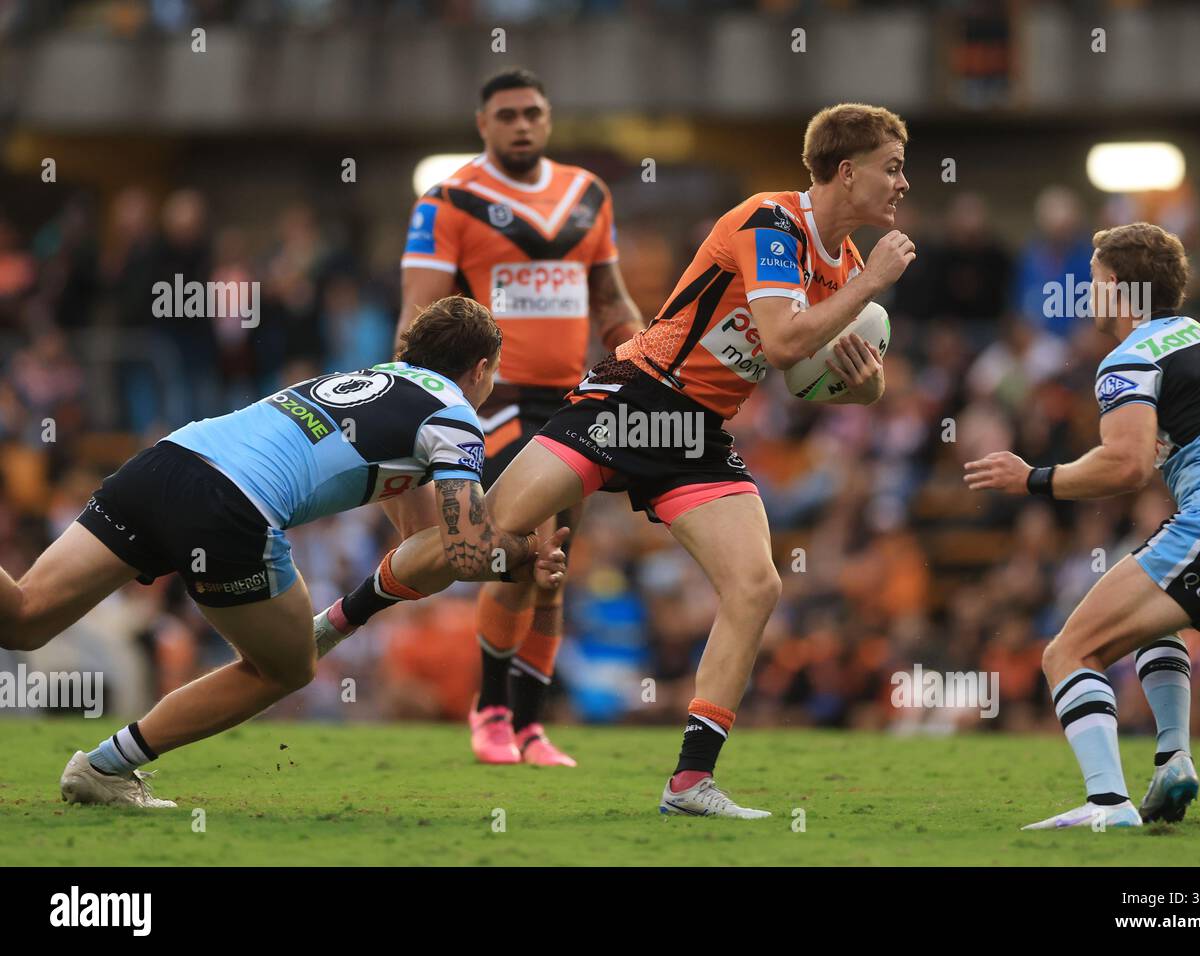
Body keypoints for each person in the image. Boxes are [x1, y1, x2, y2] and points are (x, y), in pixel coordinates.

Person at [317, 102, 916, 817]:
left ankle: (691, 782)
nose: (903, 183)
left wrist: (868, 375)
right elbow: (786, 344)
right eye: (893, 167)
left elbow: (810, 380)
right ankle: (337, 623)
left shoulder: (843, 265)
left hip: (695, 434)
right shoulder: (774, 225)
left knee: (756, 586)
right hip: (632, 400)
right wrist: (871, 286)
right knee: (483, 540)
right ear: (847, 173)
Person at [0, 296, 566, 808]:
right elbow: (467, 553)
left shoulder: (372, 379)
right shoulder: (455, 414)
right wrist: (521, 554)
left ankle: (111, 764)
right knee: (287, 667)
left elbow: (424, 546)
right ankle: (104, 768)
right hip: (229, 508)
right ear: (482, 370)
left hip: (165, 462)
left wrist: (497, 553)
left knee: (23, 617)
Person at [965, 222, 1200, 830]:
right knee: (1155, 625)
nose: (1087, 295)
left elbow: (1125, 464)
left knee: (1069, 651)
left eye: (1092, 282)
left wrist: (1034, 479)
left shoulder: (1131, 355)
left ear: (1117, 286)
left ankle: (1107, 805)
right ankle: (1173, 759)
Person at [394, 67, 642, 766]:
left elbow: (611, 300)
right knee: (521, 554)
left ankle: (528, 727)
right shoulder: (448, 201)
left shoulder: (588, 195)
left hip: (572, 399)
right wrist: (415, 413)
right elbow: (418, 320)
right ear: (483, 124)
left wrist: (646, 359)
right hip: (489, 401)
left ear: (550, 117)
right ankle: (494, 711)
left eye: (532, 111)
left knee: (554, 561)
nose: (521, 124)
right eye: (506, 115)